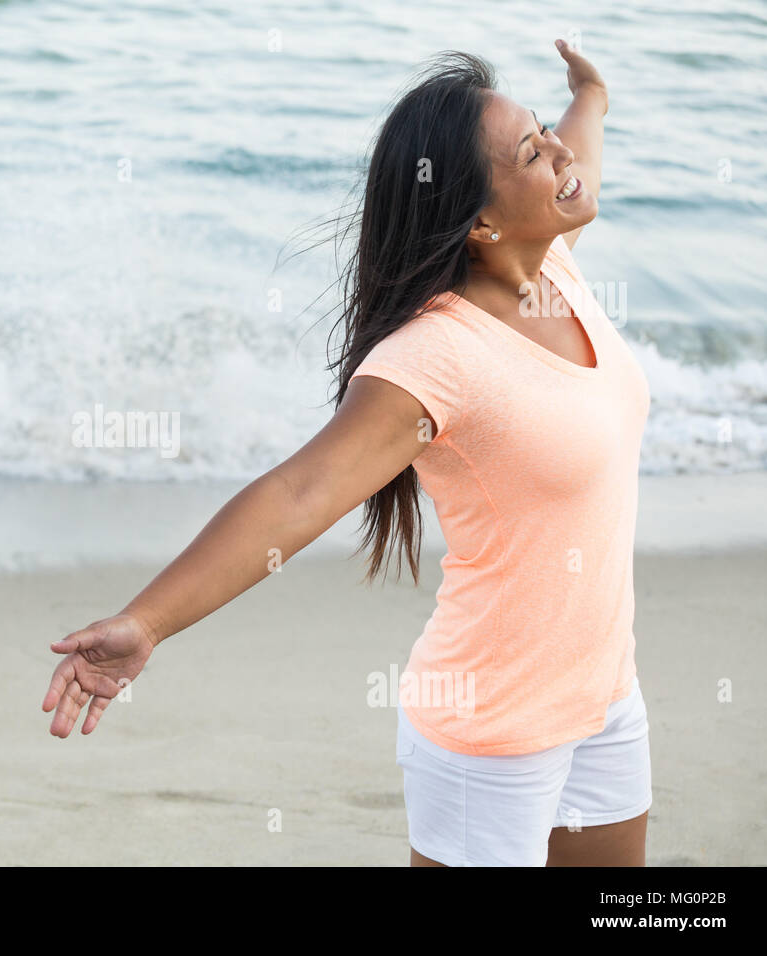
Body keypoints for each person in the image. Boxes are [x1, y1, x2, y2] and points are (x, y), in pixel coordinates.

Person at [41, 41, 652, 867]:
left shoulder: (551, 270)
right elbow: (298, 494)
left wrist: (592, 97)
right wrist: (146, 622)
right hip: (491, 727)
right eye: (533, 150)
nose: (562, 153)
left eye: (547, 130)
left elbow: (580, 166)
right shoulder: (439, 357)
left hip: (605, 696)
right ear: (480, 221)